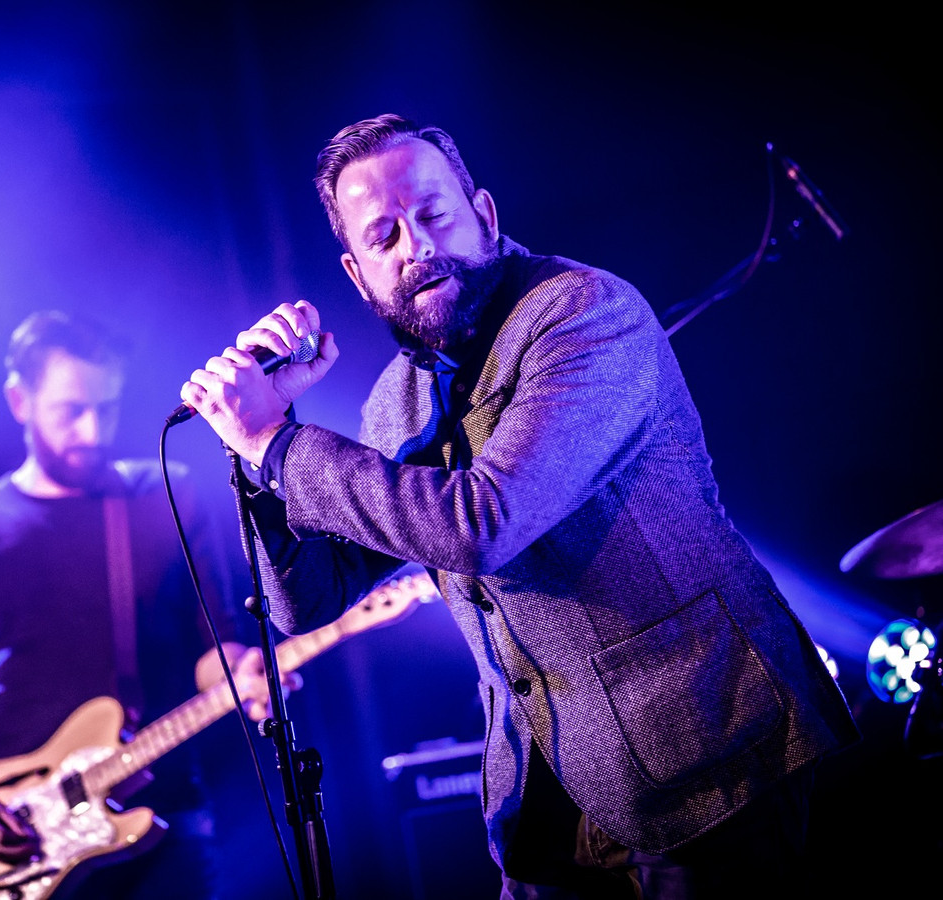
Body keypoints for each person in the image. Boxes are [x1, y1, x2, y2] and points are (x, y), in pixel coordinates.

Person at [178, 114, 860, 898]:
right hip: (544, 804)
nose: (417, 246)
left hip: (706, 766)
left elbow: (479, 523)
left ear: (486, 215)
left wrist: (277, 443)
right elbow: (308, 599)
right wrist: (263, 446)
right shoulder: (395, 401)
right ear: (357, 273)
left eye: (434, 214)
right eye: (385, 236)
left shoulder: (583, 314)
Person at [0, 309, 277, 900]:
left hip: (165, 818)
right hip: (26, 837)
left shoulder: (162, 493)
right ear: (20, 402)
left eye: (106, 409)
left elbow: (215, 641)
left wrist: (245, 674)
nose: (93, 432)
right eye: (70, 411)